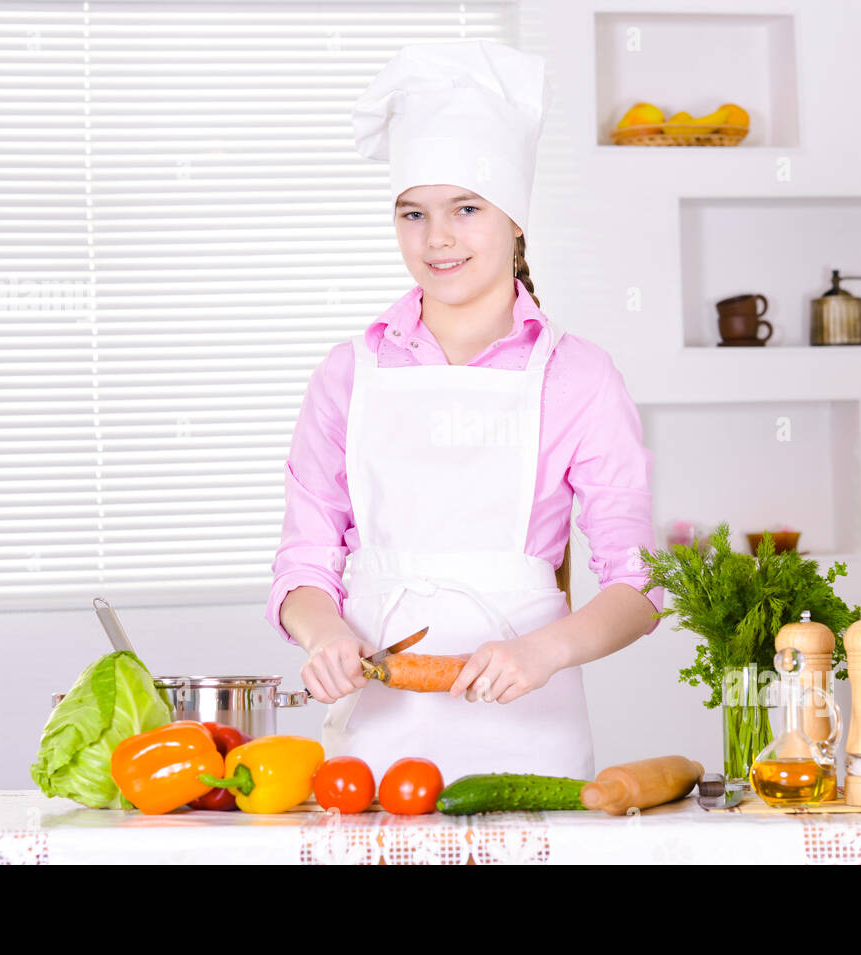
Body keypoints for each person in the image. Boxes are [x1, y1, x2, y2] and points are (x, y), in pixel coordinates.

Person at [266, 39, 664, 784]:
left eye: (467, 208)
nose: (437, 239)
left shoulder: (578, 377)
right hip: (373, 742)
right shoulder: (348, 375)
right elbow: (304, 560)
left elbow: (638, 585)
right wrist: (324, 637)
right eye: (413, 213)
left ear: (516, 221)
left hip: (530, 735)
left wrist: (544, 650)